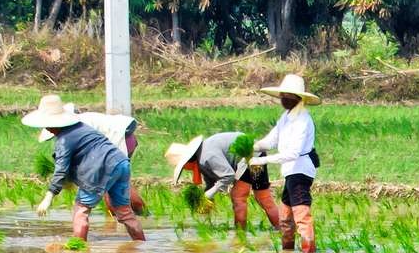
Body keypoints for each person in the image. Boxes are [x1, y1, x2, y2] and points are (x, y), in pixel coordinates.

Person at [23, 93, 144, 242]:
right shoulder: (84, 127)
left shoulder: (63, 140)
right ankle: (141, 245)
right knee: (125, 213)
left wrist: (48, 198)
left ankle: (79, 251)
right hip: (120, 162)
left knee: (80, 212)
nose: (47, 129)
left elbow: (61, 169)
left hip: (101, 169)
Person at [248, 73, 320, 253]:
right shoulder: (285, 117)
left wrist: (262, 160)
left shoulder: (303, 119)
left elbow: (293, 153)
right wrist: (252, 147)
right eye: (283, 96)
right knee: (285, 219)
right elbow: (270, 141)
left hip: (301, 170)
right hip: (289, 172)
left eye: (289, 96)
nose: (285, 99)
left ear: (298, 98)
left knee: (301, 216)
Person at [34, 103, 146, 215]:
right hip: (127, 137)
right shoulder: (81, 122)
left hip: (118, 137)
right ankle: (139, 217)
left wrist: (66, 179)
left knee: (111, 188)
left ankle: (136, 218)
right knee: (116, 185)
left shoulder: (77, 127)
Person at [167, 133, 282, 231]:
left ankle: (240, 234)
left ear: (188, 161)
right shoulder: (202, 157)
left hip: (250, 154)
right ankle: (282, 229)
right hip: (256, 153)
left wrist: (207, 195)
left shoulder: (207, 156)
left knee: (238, 196)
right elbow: (212, 183)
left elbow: (228, 176)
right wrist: (206, 200)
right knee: (263, 197)